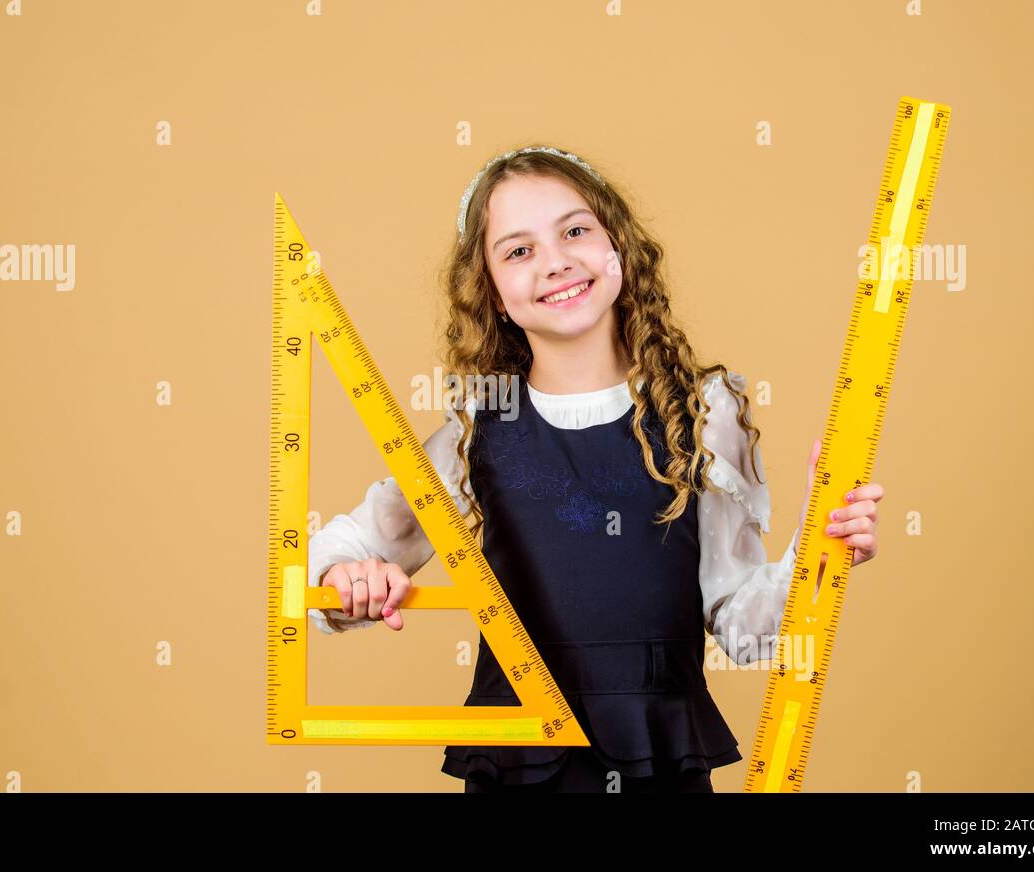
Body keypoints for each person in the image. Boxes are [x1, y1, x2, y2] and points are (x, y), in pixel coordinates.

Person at [307, 145, 883, 793]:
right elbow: (341, 548)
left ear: (620, 249)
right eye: (518, 251)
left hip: (660, 768)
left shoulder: (704, 413)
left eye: (576, 230)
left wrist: (817, 548)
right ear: (493, 295)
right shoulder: (477, 430)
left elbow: (745, 630)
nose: (556, 261)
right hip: (517, 772)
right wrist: (346, 575)